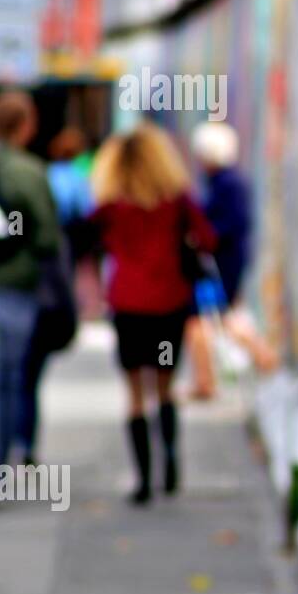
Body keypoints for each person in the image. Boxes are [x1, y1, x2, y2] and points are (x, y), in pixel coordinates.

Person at [90, 123, 217, 504]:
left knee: (133, 394)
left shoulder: (112, 205)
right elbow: (208, 239)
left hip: (128, 305)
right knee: (164, 386)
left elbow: (85, 234)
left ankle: (143, 480)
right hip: (168, 303)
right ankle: (171, 463)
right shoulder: (176, 199)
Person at [0, 91, 61, 509]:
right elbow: (45, 239)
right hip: (17, 290)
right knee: (9, 379)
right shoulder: (30, 172)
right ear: (25, 125)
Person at [16, 127, 92, 464]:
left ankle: (12, 444)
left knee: (15, 375)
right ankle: (23, 444)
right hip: (50, 273)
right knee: (28, 376)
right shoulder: (76, 179)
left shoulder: (42, 176)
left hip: (32, 278)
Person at [185, 122, 252, 399]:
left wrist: (204, 236)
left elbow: (233, 223)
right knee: (217, 317)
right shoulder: (224, 182)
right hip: (223, 260)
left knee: (207, 318)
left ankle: (208, 381)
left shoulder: (227, 184)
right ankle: (206, 380)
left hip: (222, 261)